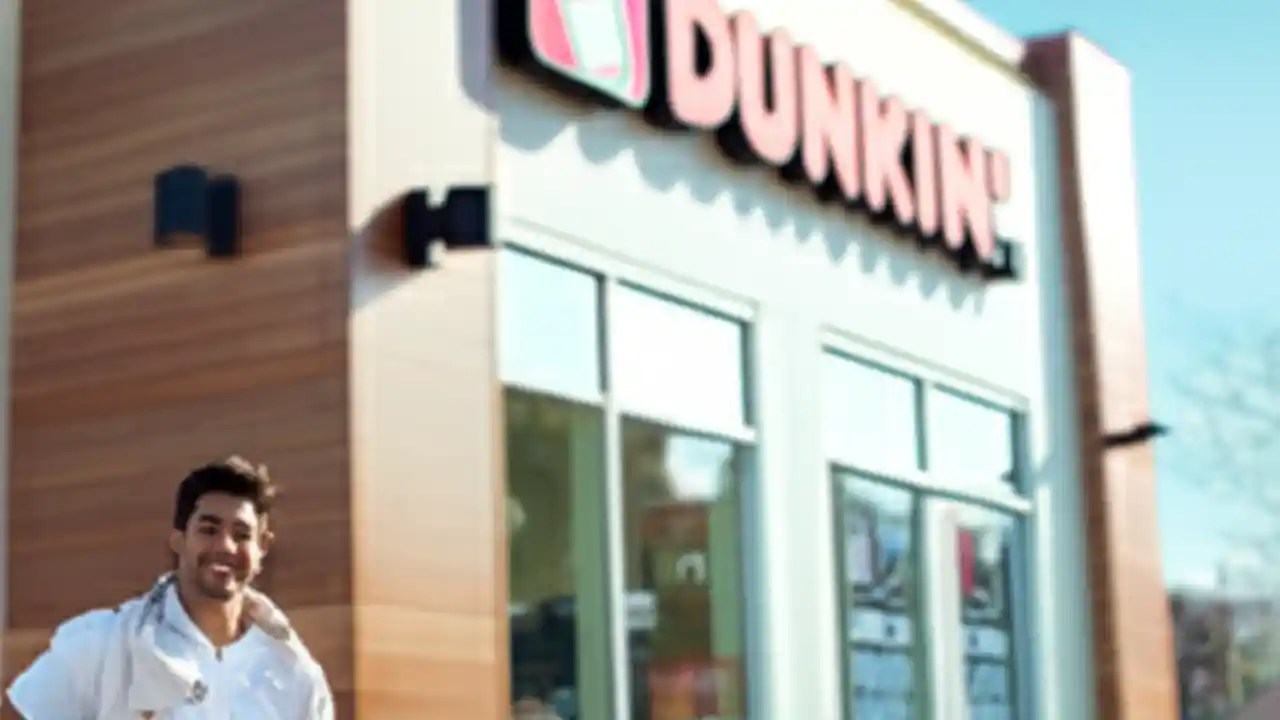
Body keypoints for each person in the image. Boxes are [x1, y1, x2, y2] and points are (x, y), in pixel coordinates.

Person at [5, 456, 333, 719]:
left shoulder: (294, 675)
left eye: (242, 534)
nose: (226, 546)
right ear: (178, 539)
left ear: (263, 548)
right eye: (209, 529)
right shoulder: (103, 645)